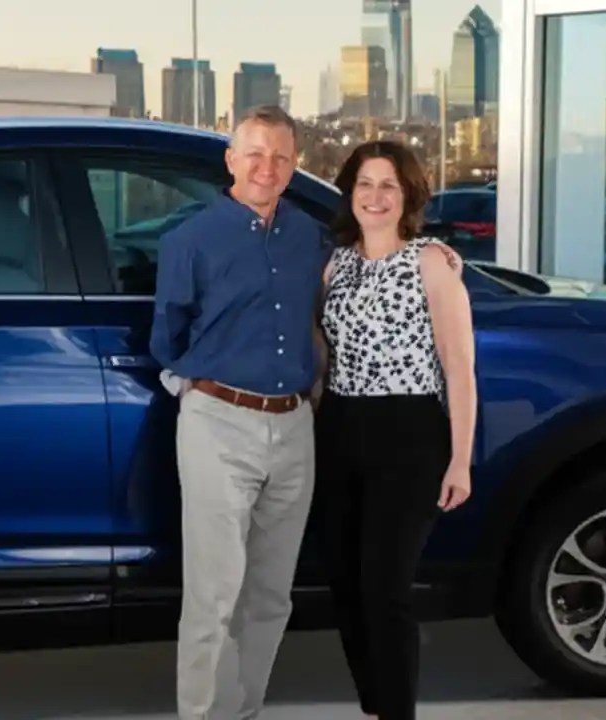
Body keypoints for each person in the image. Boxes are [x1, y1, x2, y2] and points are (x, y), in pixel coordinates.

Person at [149, 104, 332, 720]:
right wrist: (200, 391)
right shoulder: (190, 240)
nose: (267, 167)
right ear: (230, 159)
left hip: (293, 424)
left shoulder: (309, 235)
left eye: (281, 156)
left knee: (271, 593)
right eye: (254, 153)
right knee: (214, 591)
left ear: (294, 164)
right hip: (218, 423)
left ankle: (243, 710)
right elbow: (167, 338)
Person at [314, 140, 477, 720]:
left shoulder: (431, 261)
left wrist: (460, 460)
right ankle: (377, 705)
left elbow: (459, 367)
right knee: (346, 586)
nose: (375, 196)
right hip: (340, 428)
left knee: (386, 590)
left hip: (409, 434)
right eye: (365, 184)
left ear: (407, 195)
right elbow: (325, 356)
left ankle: (395, 713)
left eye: (388, 185)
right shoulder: (339, 262)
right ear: (349, 193)